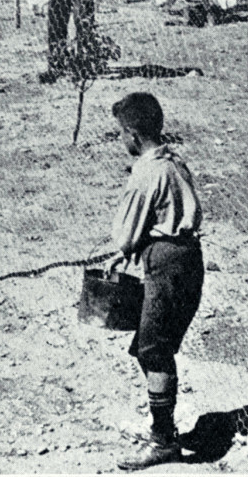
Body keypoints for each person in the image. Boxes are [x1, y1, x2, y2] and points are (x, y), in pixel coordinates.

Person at [103, 92, 205, 470]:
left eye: (120, 134)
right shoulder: (173, 160)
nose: (121, 141)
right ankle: (161, 424)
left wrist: (126, 247)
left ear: (132, 133)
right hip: (186, 259)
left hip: (168, 266)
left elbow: (126, 234)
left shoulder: (147, 172)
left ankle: (163, 440)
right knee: (148, 346)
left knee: (154, 350)